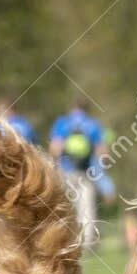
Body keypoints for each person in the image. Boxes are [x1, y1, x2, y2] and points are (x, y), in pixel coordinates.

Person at [49, 99, 108, 251]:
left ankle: (64, 242)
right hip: (85, 173)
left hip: (66, 172)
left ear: (72, 108)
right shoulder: (92, 124)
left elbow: (55, 148)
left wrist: (55, 167)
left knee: (64, 208)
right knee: (87, 209)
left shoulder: (63, 122)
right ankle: (88, 244)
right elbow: (102, 150)